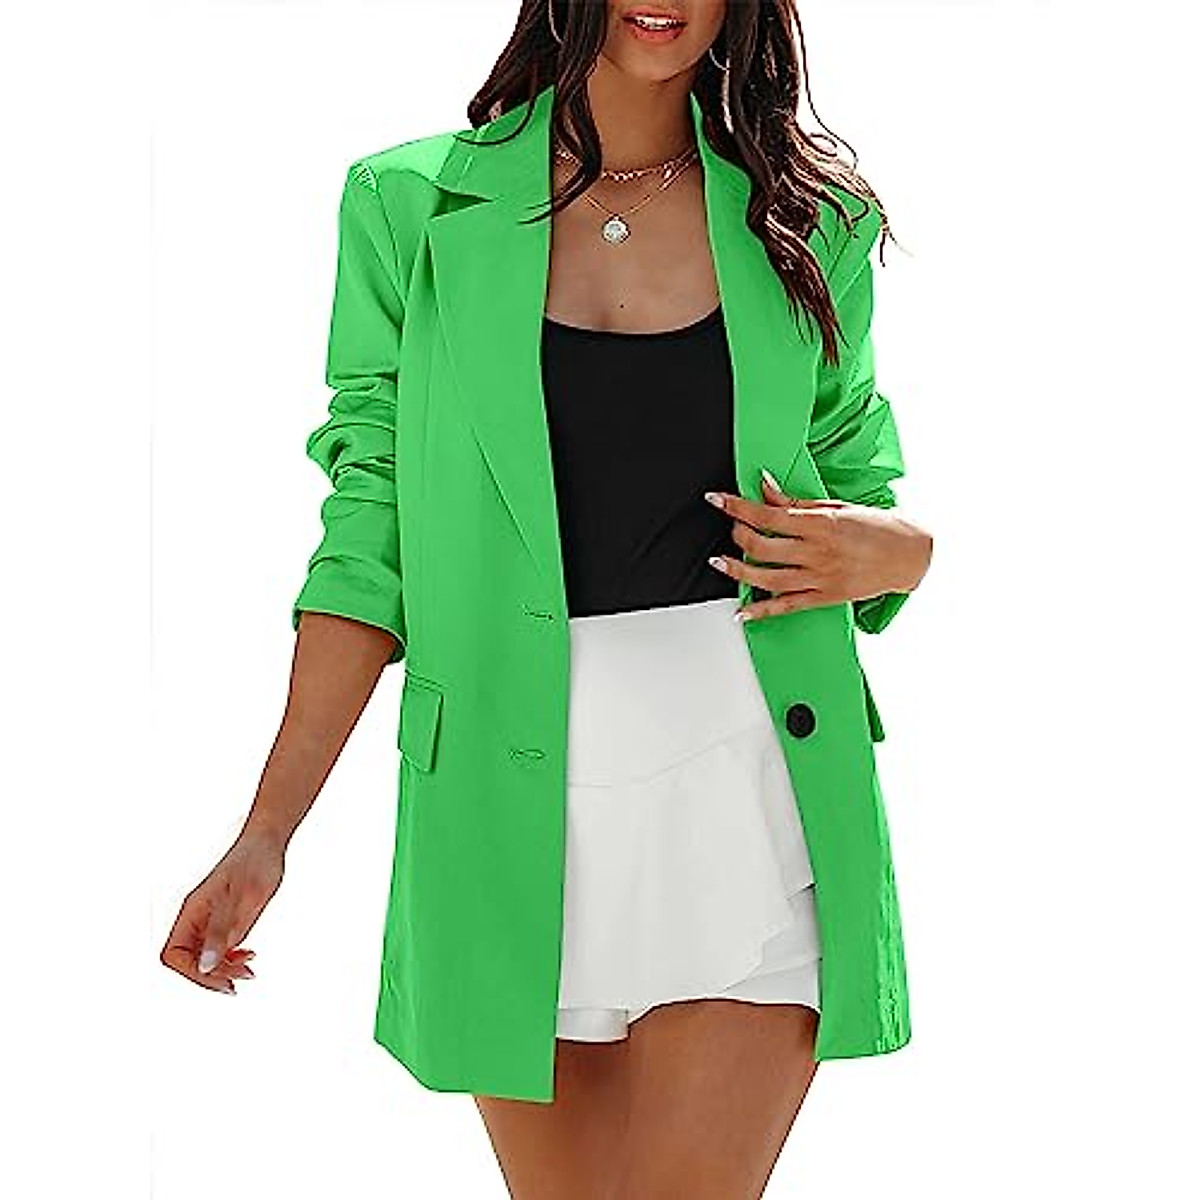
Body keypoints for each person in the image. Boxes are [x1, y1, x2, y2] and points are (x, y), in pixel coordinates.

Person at [161, 2, 934, 1195]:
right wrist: (269, 830)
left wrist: (902, 554)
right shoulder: (411, 207)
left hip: (748, 782)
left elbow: (856, 481)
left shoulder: (807, 219)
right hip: (504, 802)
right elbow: (369, 538)